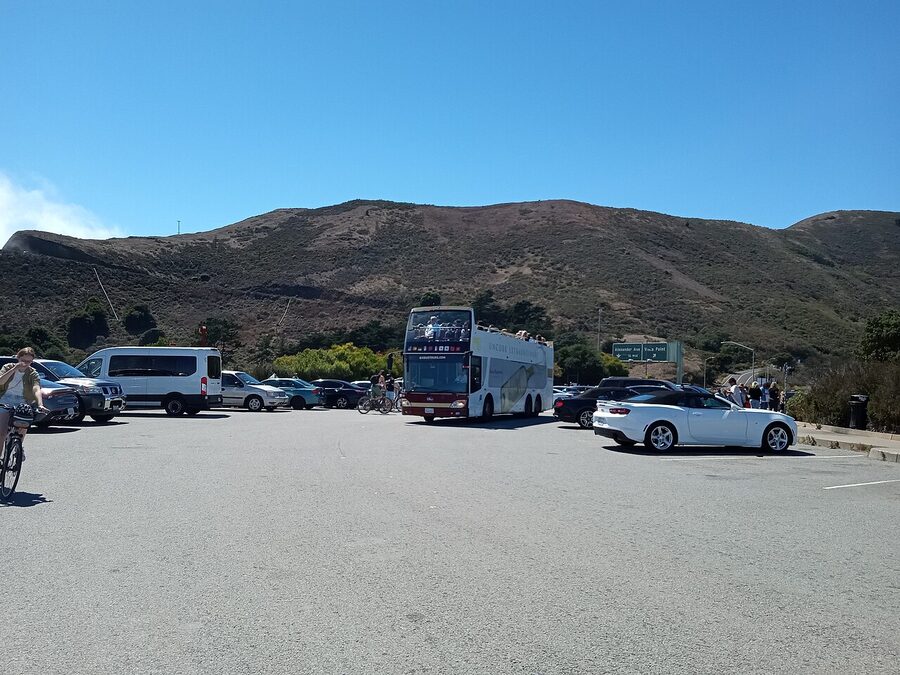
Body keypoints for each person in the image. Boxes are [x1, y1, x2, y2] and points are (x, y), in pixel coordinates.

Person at [0, 347, 48, 459]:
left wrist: (40, 404)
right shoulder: (8, 367)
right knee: (1, 433)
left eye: (29, 362)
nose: (26, 364)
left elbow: (36, 388)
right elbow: (1, 381)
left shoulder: (32, 373)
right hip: (4, 399)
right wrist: (14, 369)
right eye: (24, 361)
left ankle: (18, 446)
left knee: (24, 421)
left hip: (22, 401)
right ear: (18, 358)